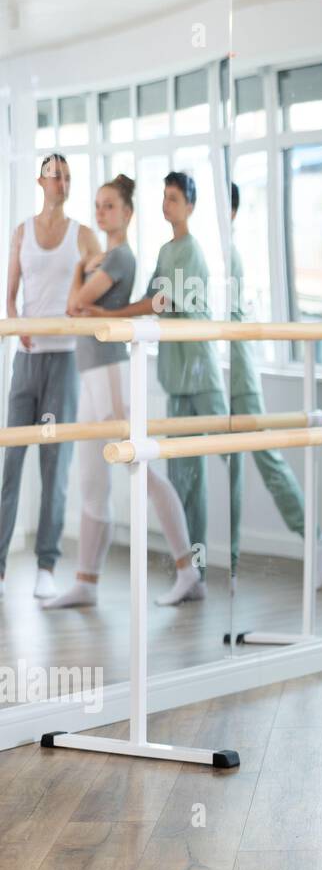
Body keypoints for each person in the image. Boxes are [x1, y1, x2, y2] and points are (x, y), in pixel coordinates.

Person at [44, 174, 200, 608]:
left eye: (109, 205)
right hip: (91, 373)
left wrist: (77, 268)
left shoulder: (119, 258)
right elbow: (77, 310)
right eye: (97, 205)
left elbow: (74, 307)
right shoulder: (105, 256)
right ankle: (86, 581)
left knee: (144, 472)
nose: (100, 212)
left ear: (127, 213)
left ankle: (189, 571)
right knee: (92, 477)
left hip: (112, 372)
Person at [114, 171, 229, 594]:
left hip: (200, 370)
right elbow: (150, 301)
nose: (167, 205)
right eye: (164, 197)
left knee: (228, 455)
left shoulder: (192, 252)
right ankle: (192, 570)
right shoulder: (165, 251)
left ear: (191, 206)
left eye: (175, 198)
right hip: (176, 376)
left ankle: (205, 567)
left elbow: (161, 302)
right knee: (185, 477)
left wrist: (109, 317)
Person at [0, 154, 100, 601]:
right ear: (40, 181)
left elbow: (105, 283)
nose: (62, 181)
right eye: (55, 175)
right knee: (12, 462)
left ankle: (46, 563)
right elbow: (11, 296)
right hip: (27, 361)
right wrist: (17, 322)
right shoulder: (21, 231)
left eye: (67, 176)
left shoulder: (83, 236)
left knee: (53, 465)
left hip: (64, 360)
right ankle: (0, 567)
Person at [227, 183, 322, 588]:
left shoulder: (228, 255)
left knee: (265, 459)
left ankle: (314, 537)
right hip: (215, 374)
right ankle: (229, 562)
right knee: (226, 465)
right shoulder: (211, 254)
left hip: (239, 375)